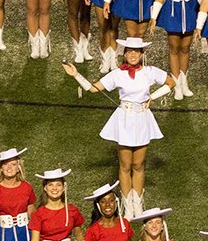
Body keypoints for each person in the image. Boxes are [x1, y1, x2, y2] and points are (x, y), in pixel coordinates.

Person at [63, 37, 174, 219]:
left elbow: (171, 83)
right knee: (125, 165)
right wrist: (76, 74)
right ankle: (127, 206)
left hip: (142, 119)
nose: (132, 54)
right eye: (129, 51)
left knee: (138, 165)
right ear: (125, 53)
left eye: (136, 51)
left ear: (142, 54)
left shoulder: (150, 72)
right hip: (124, 120)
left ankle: (137, 204)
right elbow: (93, 89)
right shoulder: (117, 74)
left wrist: (152, 97)